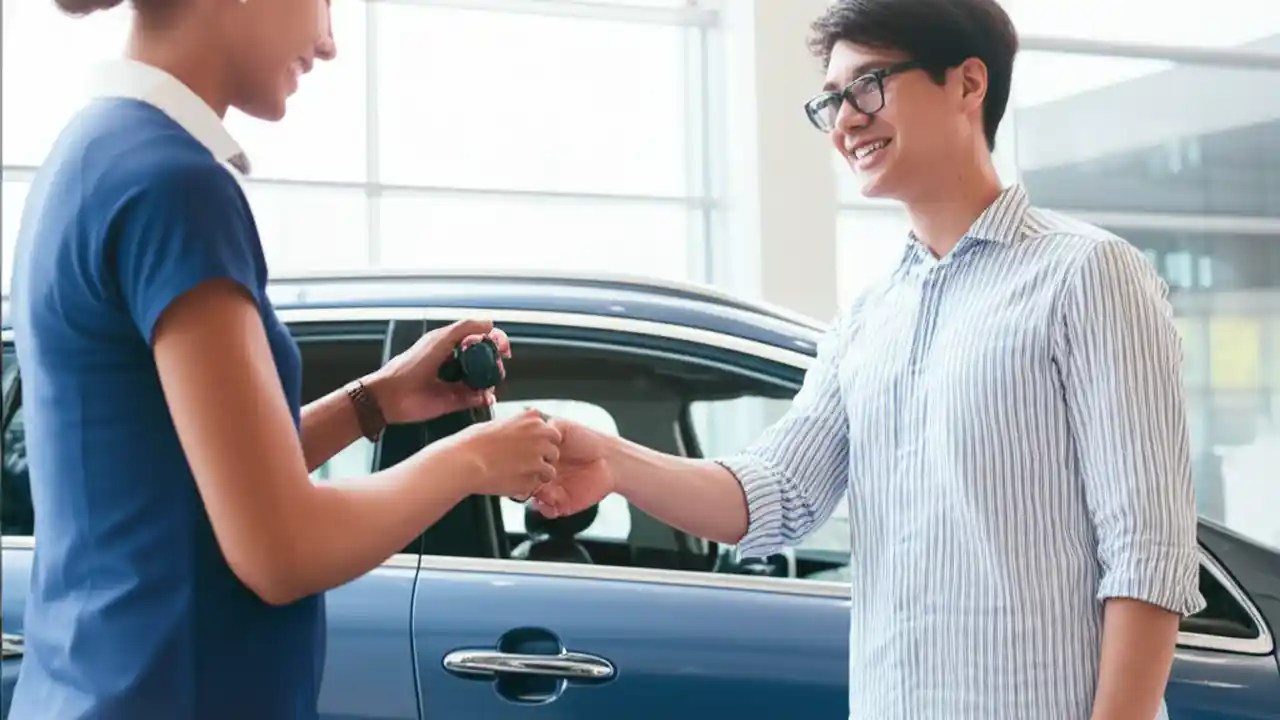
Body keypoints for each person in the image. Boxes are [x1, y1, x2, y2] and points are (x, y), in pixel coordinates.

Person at [533, 1, 1205, 718]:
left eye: (868, 84)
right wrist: (614, 462)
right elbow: (775, 496)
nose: (846, 120)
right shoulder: (866, 318)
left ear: (968, 83)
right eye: (830, 100)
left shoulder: (1088, 274)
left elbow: (1148, 552)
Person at [7, 0, 562, 717]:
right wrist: (475, 461)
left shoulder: (94, 151)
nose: (329, 43)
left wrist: (379, 400)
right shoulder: (176, 188)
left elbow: (188, 482)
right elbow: (280, 549)